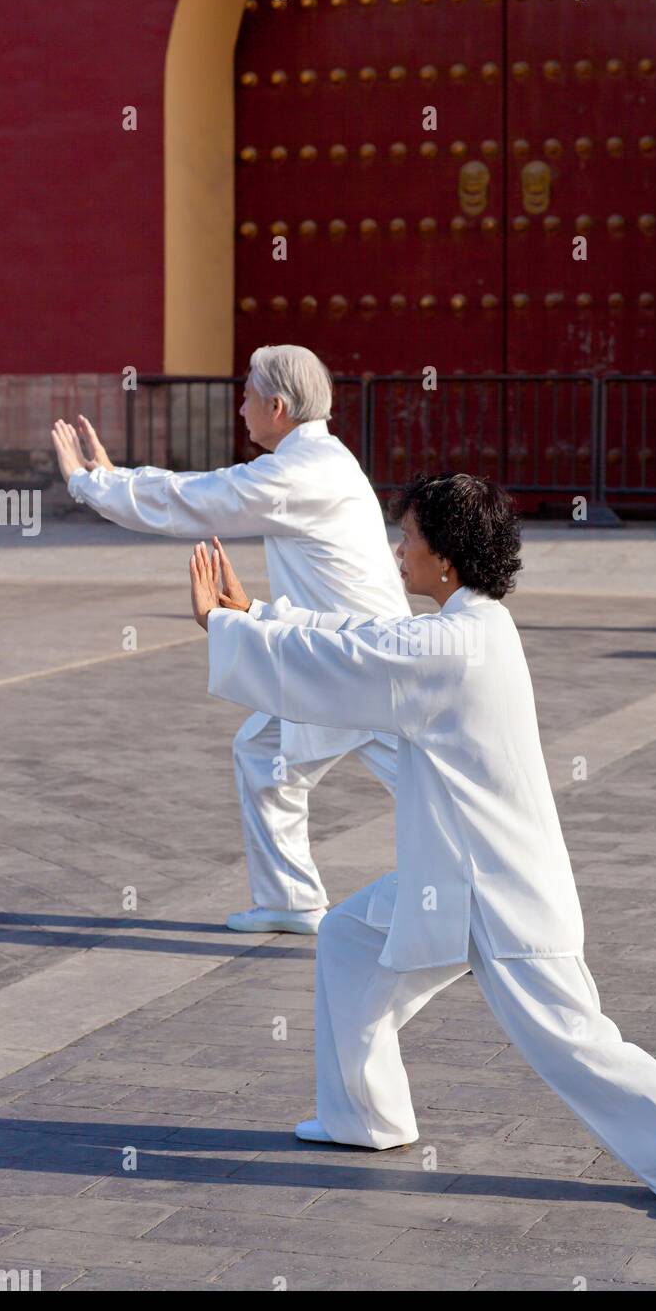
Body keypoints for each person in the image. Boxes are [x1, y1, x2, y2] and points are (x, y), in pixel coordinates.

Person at [189, 472, 656, 1220]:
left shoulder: (452, 646)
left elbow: (349, 665)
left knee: (576, 1046)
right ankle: (363, 1117)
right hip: (448, 880)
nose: (397, 551)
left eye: (407, 538)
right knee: (345, 941)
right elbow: (363, 639)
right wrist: (259, 614)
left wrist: (226, 627)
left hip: (500, 892)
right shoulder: (472, 624)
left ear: (447, 558)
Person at [51, 344, 409, 935]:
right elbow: (200, 489)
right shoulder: (316, 458)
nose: (240, 408)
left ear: (277, 405)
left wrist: (92, 484)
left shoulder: (300, 471)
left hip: (361, 664)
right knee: (265, 755)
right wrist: (113, 479)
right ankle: (290, 900)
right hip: (330, 656)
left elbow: (197, 500)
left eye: (246, 396)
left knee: (434, 791)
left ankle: (485, 917)